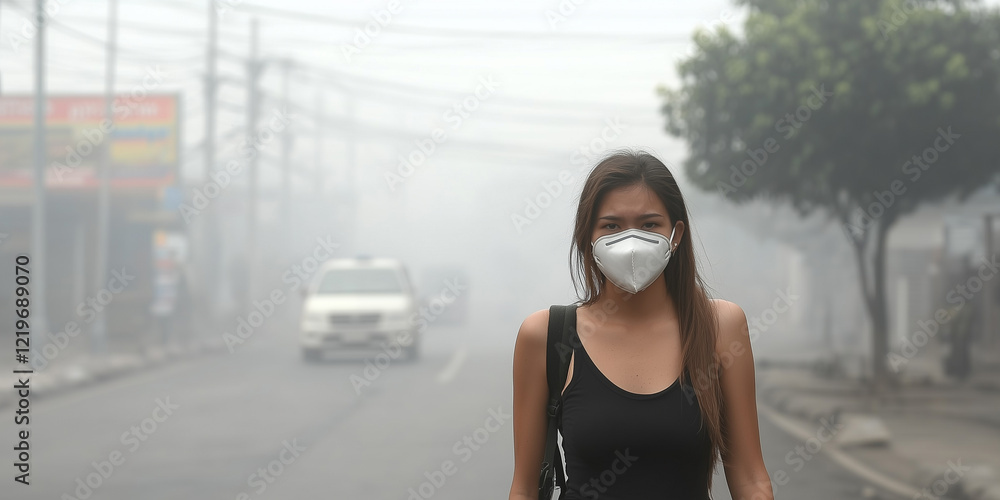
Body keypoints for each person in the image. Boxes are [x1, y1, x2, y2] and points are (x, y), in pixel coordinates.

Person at [509, 150, 772, 500]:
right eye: (612, 226)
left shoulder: (720, 327)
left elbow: (752, 481)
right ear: (589, 236)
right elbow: (525, 488)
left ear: (675, 235)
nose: (631, 243)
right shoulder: (547, 336)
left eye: (649, 224)